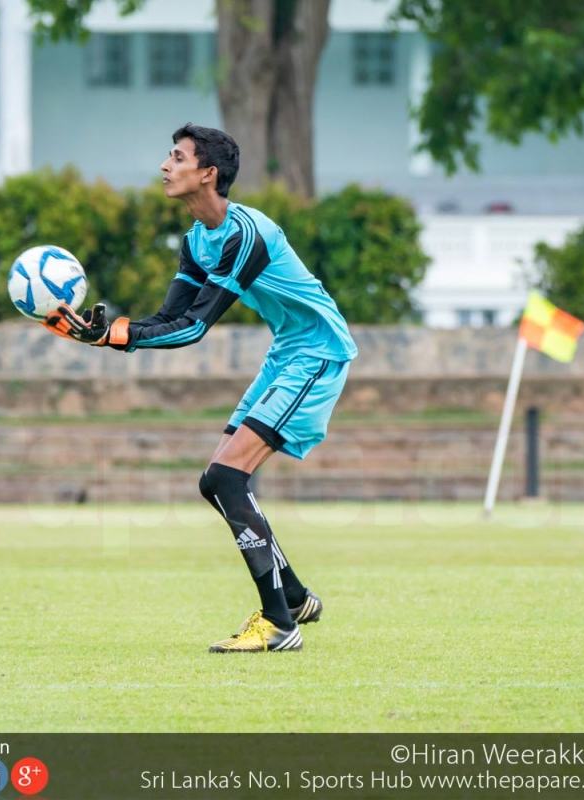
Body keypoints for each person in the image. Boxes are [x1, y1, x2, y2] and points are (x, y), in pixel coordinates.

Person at [44, 123, 357, 653]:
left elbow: (194, 328)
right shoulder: (196, 240)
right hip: (287, 353)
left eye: (177, 157)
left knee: (226, 478)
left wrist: (116, 335)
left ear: (208, 174)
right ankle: (296, 595)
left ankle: (280, 624)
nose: (166, 166)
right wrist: (107, 334)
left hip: (319, 353)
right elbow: (171, 317)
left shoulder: (246, 234)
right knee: (216, 483)